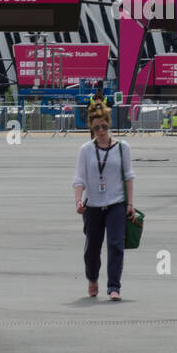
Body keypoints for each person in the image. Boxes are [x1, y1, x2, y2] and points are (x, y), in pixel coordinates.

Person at [72, 104, 136, 301]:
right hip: (92, 206)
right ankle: (92, 278)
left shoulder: (122, 148)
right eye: (97, 127)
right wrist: (78, 202)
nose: (101, 131)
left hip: (116, 203)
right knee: (92, 247)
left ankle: (114, 286)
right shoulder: (85, 150)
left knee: (115, 244)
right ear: (91, 127)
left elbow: (129, 176)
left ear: (110, 126)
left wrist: (130, 203)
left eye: (104, 127)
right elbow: (79, 179)